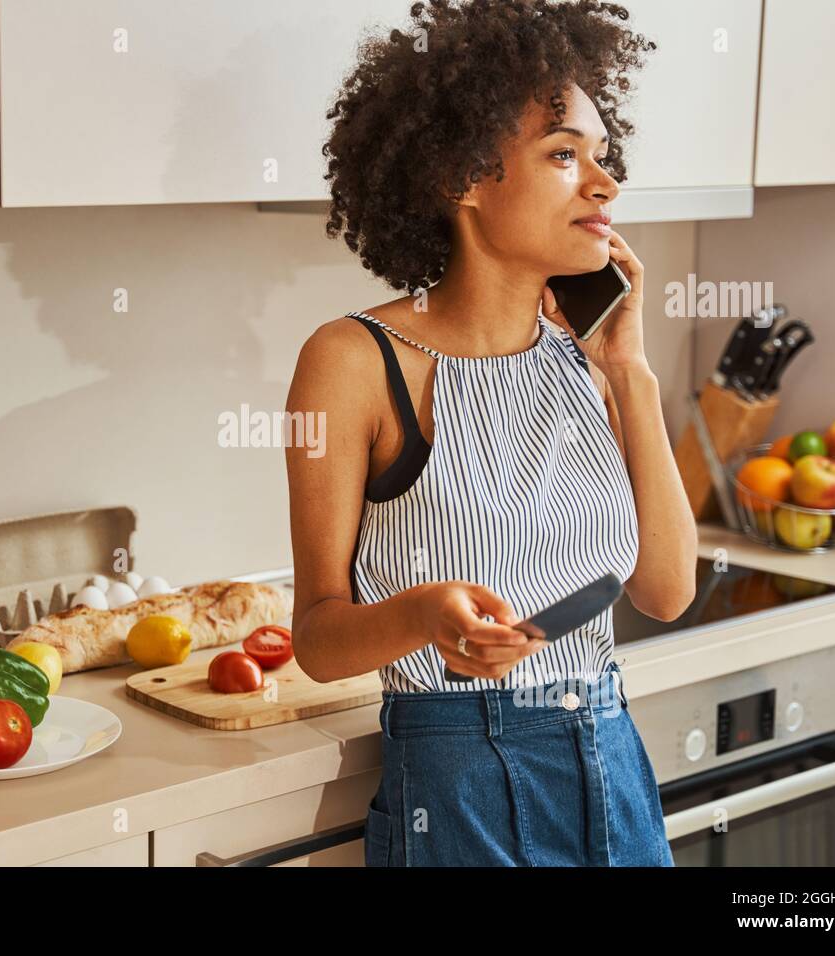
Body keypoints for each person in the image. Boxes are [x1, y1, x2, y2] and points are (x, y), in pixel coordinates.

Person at [284, 0, 696, 866]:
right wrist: (425, 616)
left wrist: (631, 371)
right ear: (463, 177)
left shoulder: (587, 359)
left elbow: (666, 592)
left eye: (602, 155)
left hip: (612, 759)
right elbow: (319, 641)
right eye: (562, 154)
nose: (604, 183)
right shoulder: (355, 361)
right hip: (460, 784)